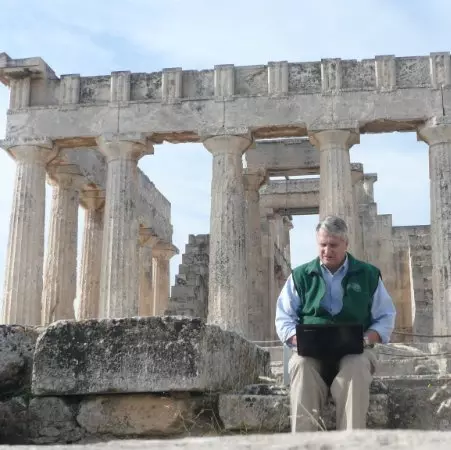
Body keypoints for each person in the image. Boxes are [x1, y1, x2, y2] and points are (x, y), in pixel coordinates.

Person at [275, 215, 396, 432]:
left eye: (333, 245)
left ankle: (350, 443)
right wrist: (298, 339)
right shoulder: (300, 276)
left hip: (356, 351)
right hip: (310, 353)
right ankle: (304, 444)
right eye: (323, 245)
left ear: (346, 244)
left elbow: (386, 316)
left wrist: (368, 338)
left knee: (356, 367)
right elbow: (283, 317)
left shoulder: (368, 274)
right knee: (301, 366)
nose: (327, 250)